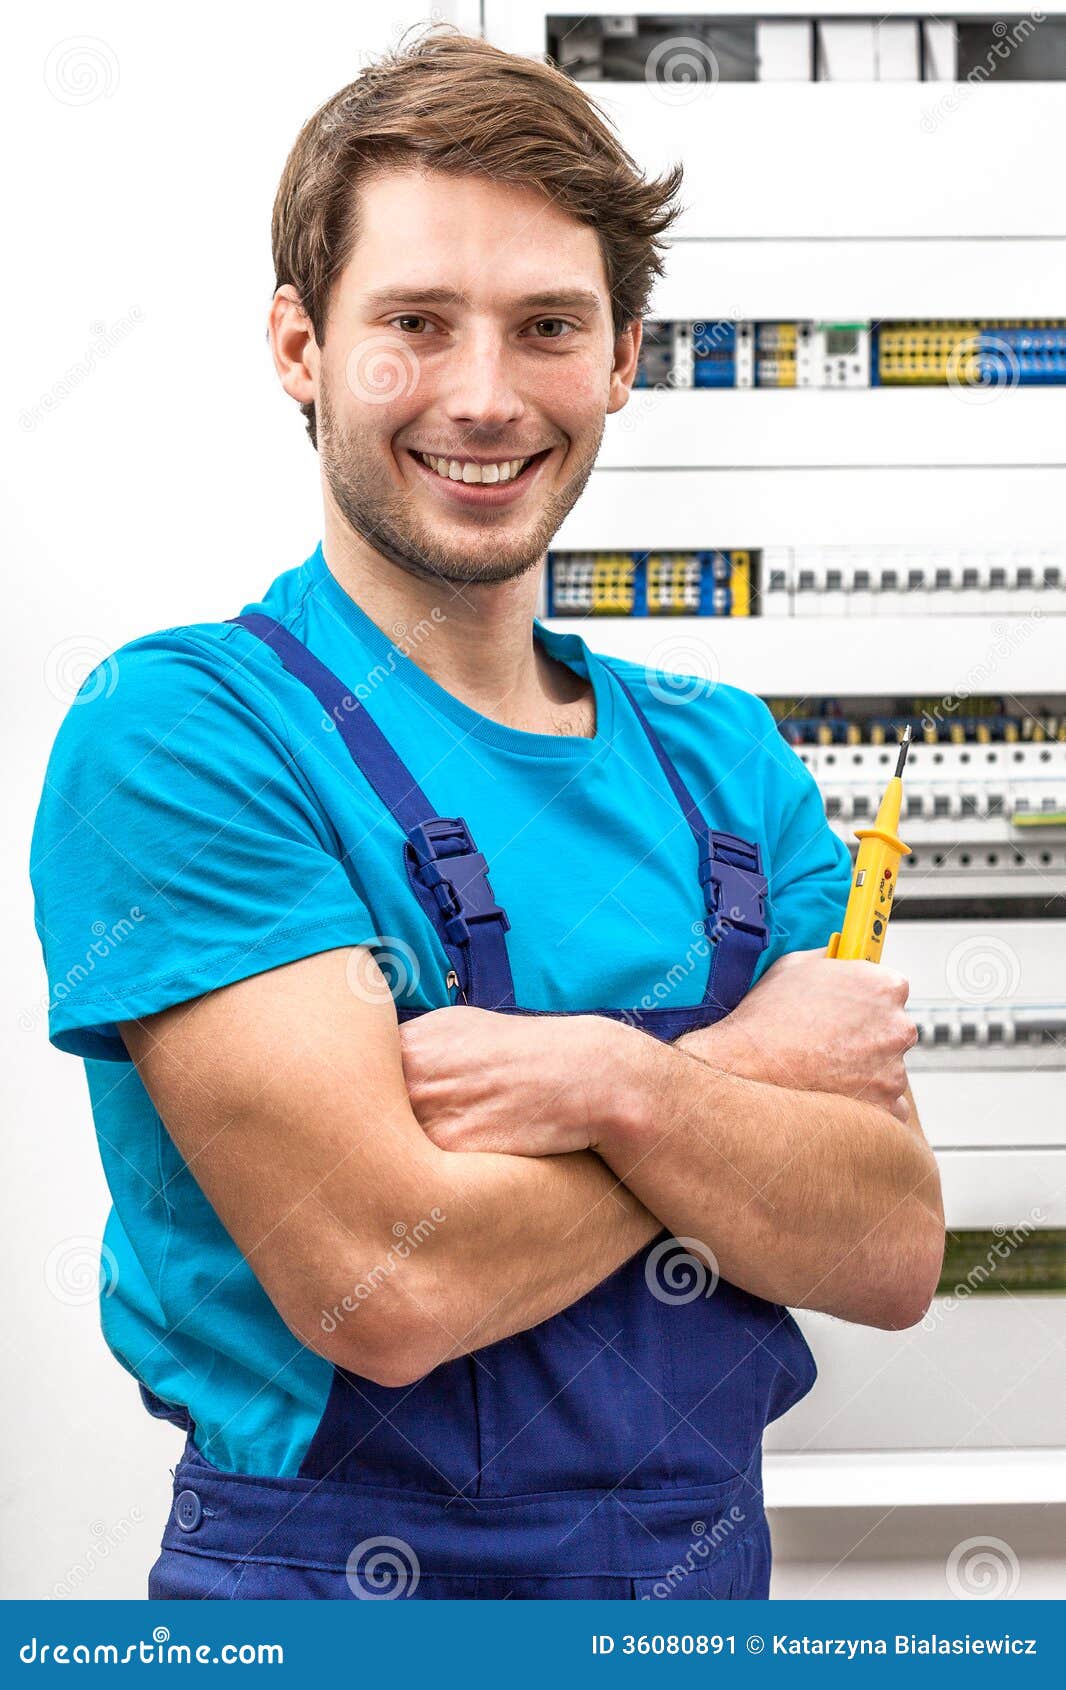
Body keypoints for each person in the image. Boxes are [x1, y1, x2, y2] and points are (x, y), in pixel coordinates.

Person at [30, 29, 944, 1601]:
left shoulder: (724, 758)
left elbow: (886, 1245)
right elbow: (390, 1278)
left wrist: (598, 1079)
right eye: (414, 323)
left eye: (544, 327)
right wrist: (741, 1076)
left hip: (699, 1588)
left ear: (621, 357)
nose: (483, 394)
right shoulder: (186, 734)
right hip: (337, 1600)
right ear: (299, 346)